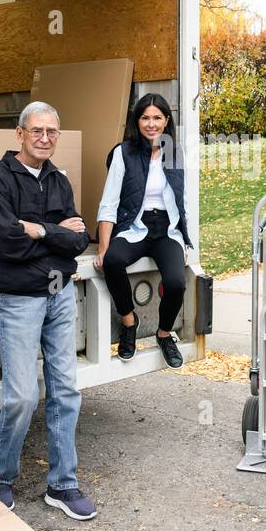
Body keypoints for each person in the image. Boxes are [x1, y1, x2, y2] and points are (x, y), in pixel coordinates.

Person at [0, 101, 96, 521]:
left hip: (59, 291)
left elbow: (80, 240)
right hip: (17, 297)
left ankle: (63, 485)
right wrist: (56, 234)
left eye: (52, 132)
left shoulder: (59, 181)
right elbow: (5, 241)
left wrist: (40, 229)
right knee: (22, 395)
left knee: (66, 391)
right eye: (37, 131)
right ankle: (0, 479)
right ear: (19, 135)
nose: (45, 138)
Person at [95, 93, 191, 368]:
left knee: (175, 283)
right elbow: (109, 202)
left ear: (166, 121)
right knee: (112, 261)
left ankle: (163, 334)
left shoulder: (174, 151)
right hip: (134, 226)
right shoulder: (122, 153)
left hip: (166, 230)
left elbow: (181, 199)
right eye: (145, 118)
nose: (151, 124)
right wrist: (103, 248)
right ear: (136, 121)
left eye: (157, 118)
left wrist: (184, 240)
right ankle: (129, 322)